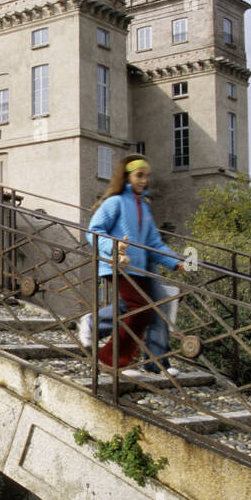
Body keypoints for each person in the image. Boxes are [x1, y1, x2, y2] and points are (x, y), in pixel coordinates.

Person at [78, 154, 185, 370]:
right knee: (140, 310)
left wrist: (175, 262)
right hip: (117, 266)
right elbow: (93, 232)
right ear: (127, 177)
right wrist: (114, 246)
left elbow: (153, 243)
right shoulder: (115, 202)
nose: (144, 180)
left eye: (146, 176)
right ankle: (111, 359)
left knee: (152, 306)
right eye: (139, 176)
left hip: (139, 268)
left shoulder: (143, 207)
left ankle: (154, 362)